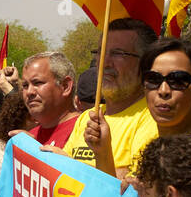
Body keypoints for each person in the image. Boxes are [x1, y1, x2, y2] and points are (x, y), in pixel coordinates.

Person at [67, 18, 158, 175]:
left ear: (145, 63)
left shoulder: (152, 119)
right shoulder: (88, 118)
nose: (104, 63)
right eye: (100, 52)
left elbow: (137, 188)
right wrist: (30, 149)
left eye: (117, 54)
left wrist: (69, 166)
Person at [22, 52, 81, 148]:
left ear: (65, 86)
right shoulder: (29, 139)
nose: (29, 92)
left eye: (37, 83)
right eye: (25, 85)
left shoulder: (88, 133)